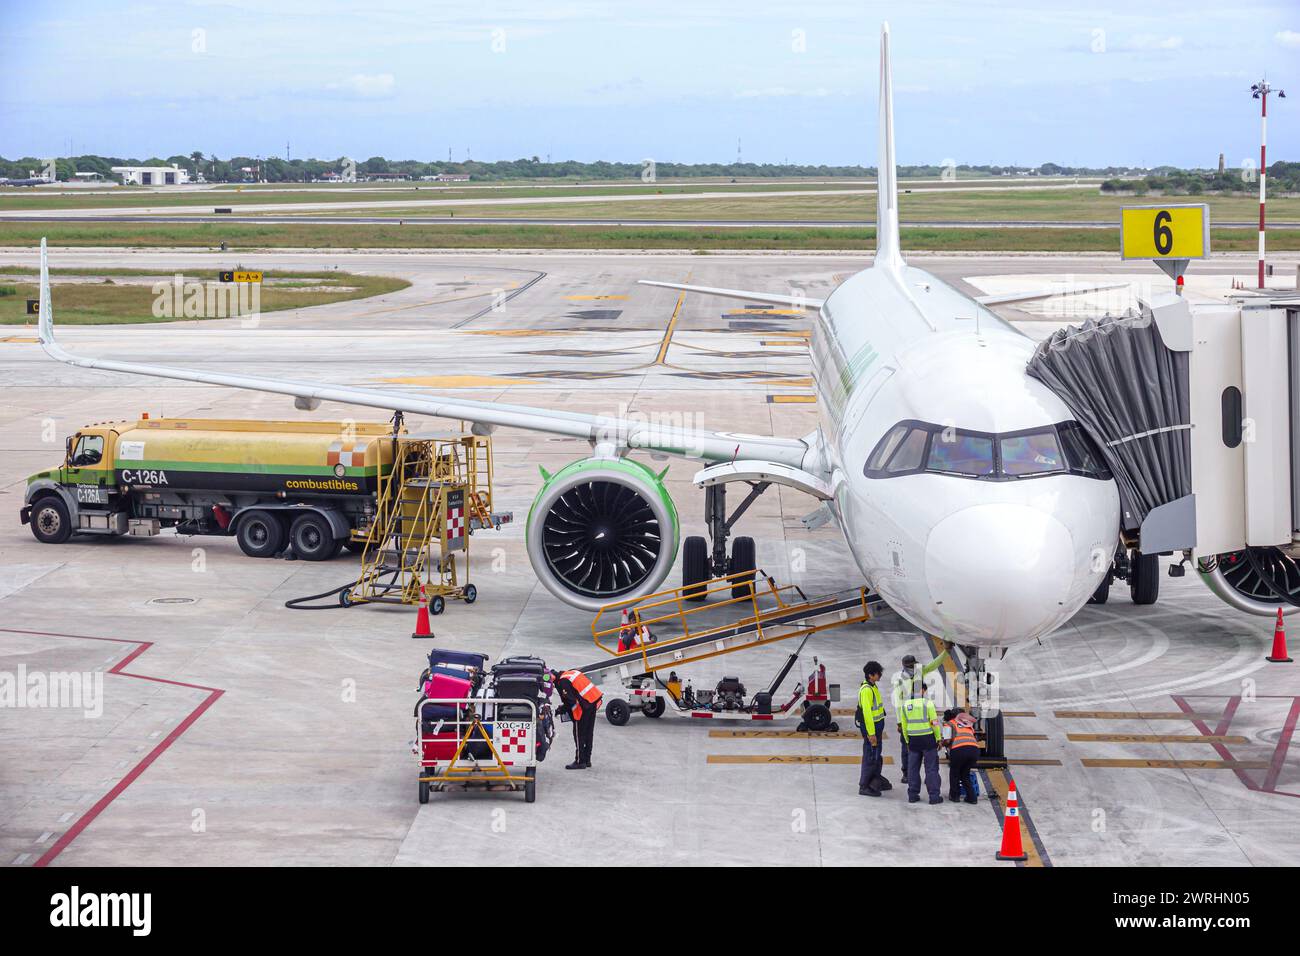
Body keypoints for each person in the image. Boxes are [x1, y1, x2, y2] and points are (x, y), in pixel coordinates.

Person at [891, 648, 950, 783]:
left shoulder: (919, 671)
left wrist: (946, 651)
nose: (915, 666)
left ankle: (927, 775)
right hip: (908, 718)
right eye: (913, 665)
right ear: (906, 666)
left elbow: (933, 665)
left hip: (922, 717)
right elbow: (898, 703)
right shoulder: (899, 680)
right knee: (907, 749)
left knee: (924, 748)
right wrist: (900, 722)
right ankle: (906, 773)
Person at [900, 682, 943, 804]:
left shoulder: (905, 705)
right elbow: (934, 723)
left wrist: (907, 741)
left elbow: (904, 726)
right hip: (928, 741)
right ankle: (934, 797)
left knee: (913, 769)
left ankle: (913, 795)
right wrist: (938, 738)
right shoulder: (928, 703)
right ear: (923, 690)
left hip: (913, 741)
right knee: (931, 769)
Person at [553, 668, 603, 770]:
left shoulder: (563, 682)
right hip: (593, 701)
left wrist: (561, 709)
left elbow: (570, 702)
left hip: (583, 707)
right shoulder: (570, 673)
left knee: (579, 734)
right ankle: (587, 760)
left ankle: (580, 761)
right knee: (589, 733)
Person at [855, 661, 891, 796]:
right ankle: (864, 786)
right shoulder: (866, 691)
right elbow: (867, 714)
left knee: (876, 755)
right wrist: (871, 734)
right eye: (878, 673)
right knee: (870, 756)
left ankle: (875, 778)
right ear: (870, 675)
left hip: (877, 727)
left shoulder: (873, 686)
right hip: (872, 729)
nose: (880, 675)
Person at [944, 709, 980, 804]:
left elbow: (947, 740)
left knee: (954, 773)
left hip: (959, 750)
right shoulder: (967, 724)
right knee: (965, 774)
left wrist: (942, 744)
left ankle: (954, 796)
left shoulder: (949, 723)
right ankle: (972, 798)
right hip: (974, 750)